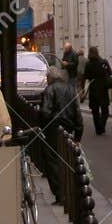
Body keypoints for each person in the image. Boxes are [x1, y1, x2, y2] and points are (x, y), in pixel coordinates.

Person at [38, 65, 83, 200]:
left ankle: (60, 193)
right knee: (68, 160)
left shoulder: (50, 89)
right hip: (69, 129)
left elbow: (45, 112)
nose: (46, 80)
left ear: (50, 77)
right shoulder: (70, 89)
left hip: (53, 129)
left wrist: (44, 123)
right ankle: (71, 192)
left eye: (47, 77)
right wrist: (78, 134)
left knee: (53, 161)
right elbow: (77, 113)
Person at [81, 45, 112, 135]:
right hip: (103, 89)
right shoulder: (104, 62)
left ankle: (98, 129)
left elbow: (85, 77)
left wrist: (83, 90)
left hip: (93, 88)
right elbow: (110, 74)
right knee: (105, 111)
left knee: (95, 111)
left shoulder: (88, 64)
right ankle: (101, 126)